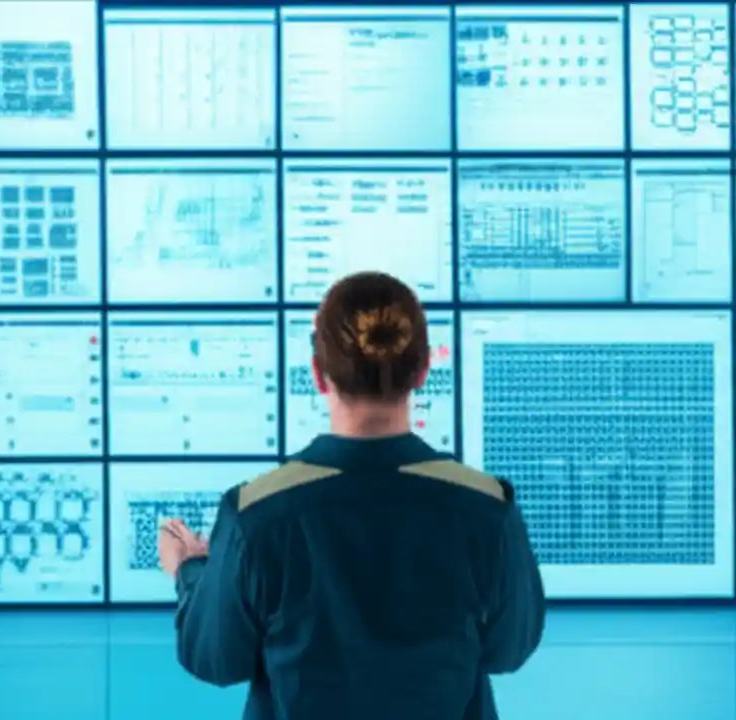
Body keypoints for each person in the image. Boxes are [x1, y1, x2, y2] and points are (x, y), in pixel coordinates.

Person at [159, 271, 546, 719]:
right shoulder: (487, 508)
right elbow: (508, 650)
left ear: (318, 375)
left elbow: (216, 659)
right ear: (423, 370)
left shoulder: (255, 513)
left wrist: (190, 570)